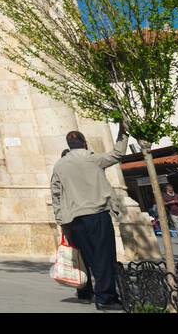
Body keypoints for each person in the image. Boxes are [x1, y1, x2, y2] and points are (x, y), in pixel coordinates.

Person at [51, 122, 128, 311]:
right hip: (97, 214)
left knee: (85, 257)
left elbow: (56, 194)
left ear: (69, 146)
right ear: (85, 143)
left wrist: (60, 219)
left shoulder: (60, 165)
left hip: (74, 220)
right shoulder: (93, 159)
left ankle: (87, 292)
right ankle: (106, 298)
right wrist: (123, 132)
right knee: (104, 257)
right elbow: (117, 154)